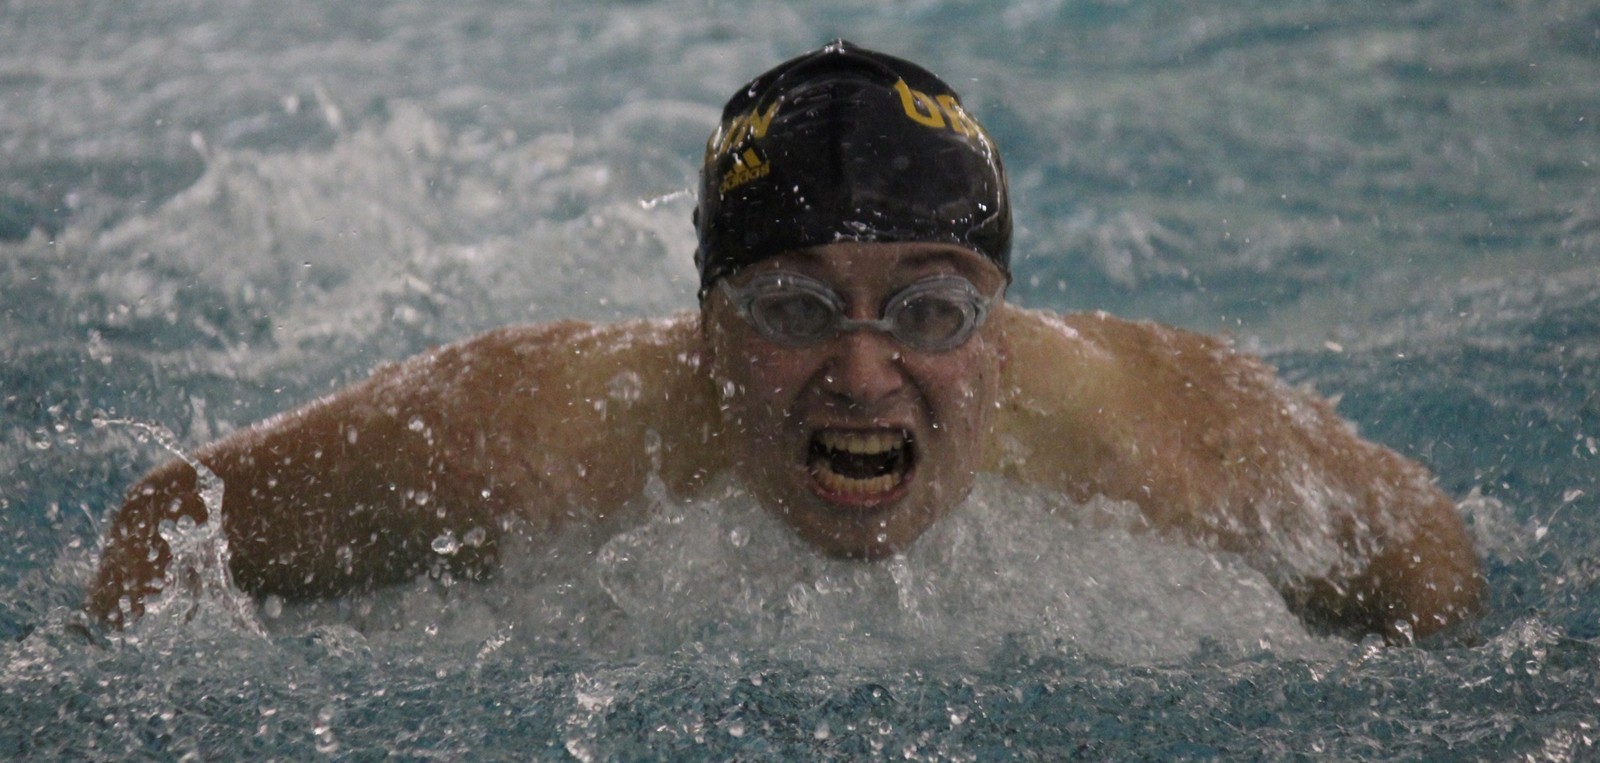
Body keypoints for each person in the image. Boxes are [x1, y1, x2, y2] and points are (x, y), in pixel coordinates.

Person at [86, 41, 1483, 642]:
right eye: (793, 308)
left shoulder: (1137, 427)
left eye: (933, 310)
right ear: (705, 333)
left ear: (1000, 334)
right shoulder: (534, 438)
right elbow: (167, 532)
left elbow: (1426, 560)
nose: (866, 374)